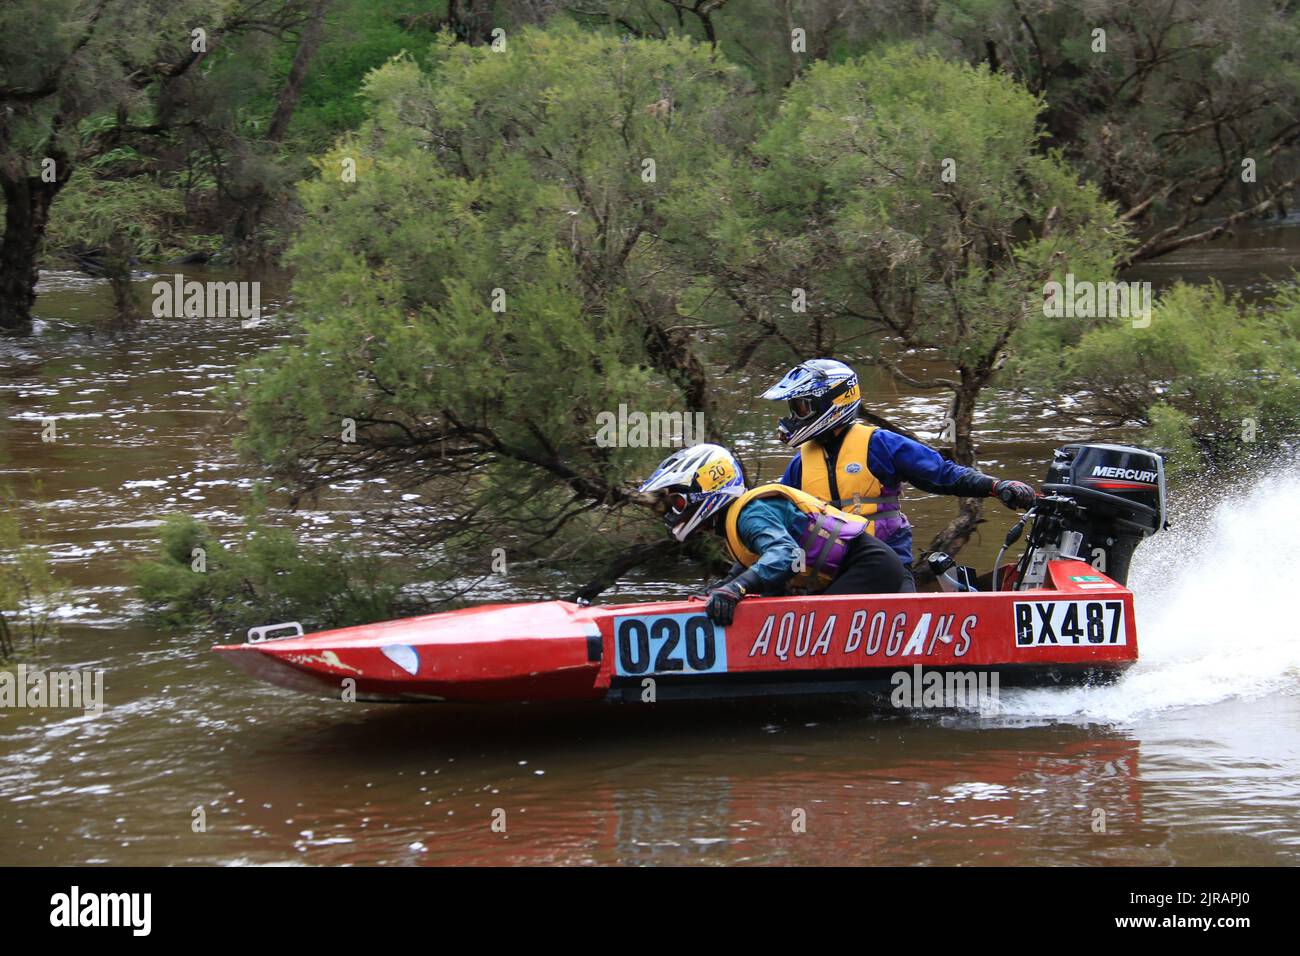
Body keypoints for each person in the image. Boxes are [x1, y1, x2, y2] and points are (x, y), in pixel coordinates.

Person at [761, 359, 1038, 591]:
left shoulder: (880, 444)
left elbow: (944, 475)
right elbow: (777, 518)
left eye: (801, 407)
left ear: (830, 404)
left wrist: (997, 485)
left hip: (889, 567)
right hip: (828, 572)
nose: (795, 416)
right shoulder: (801, 463)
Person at [639, 443, 907, 626]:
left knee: (818, 625)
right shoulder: (741, 520)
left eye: (679, 503)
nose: (674, 512)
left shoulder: (750, 514)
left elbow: (786, 555)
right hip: (862, 567)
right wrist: (720, 590)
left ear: (706, 493)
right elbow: (752, 567)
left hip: (870, 567)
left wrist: (736, 589)